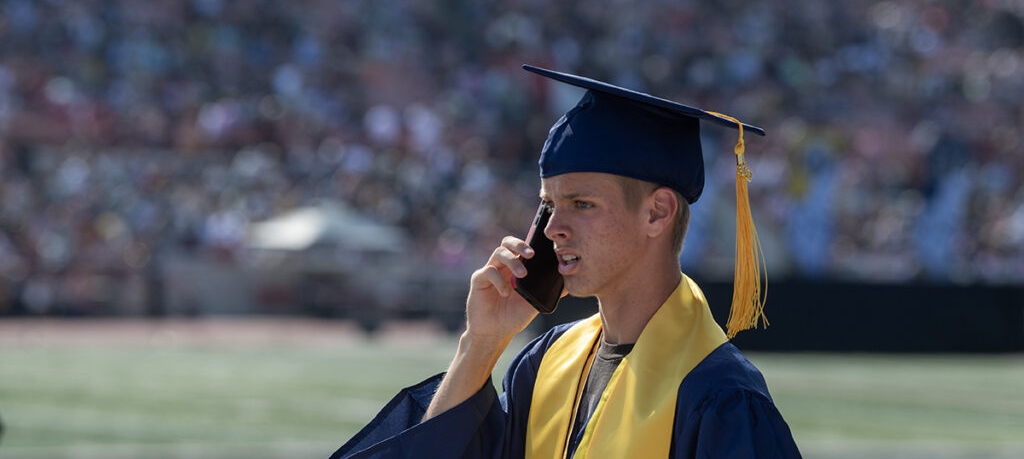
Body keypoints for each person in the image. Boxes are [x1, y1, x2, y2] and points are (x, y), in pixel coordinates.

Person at [330, 65, 802, 458]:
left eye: (581, 204)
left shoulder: (719, 397)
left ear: (657, 212)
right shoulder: (542, 364)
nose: (552, 228)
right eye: (548, 205)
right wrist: (481, 344)